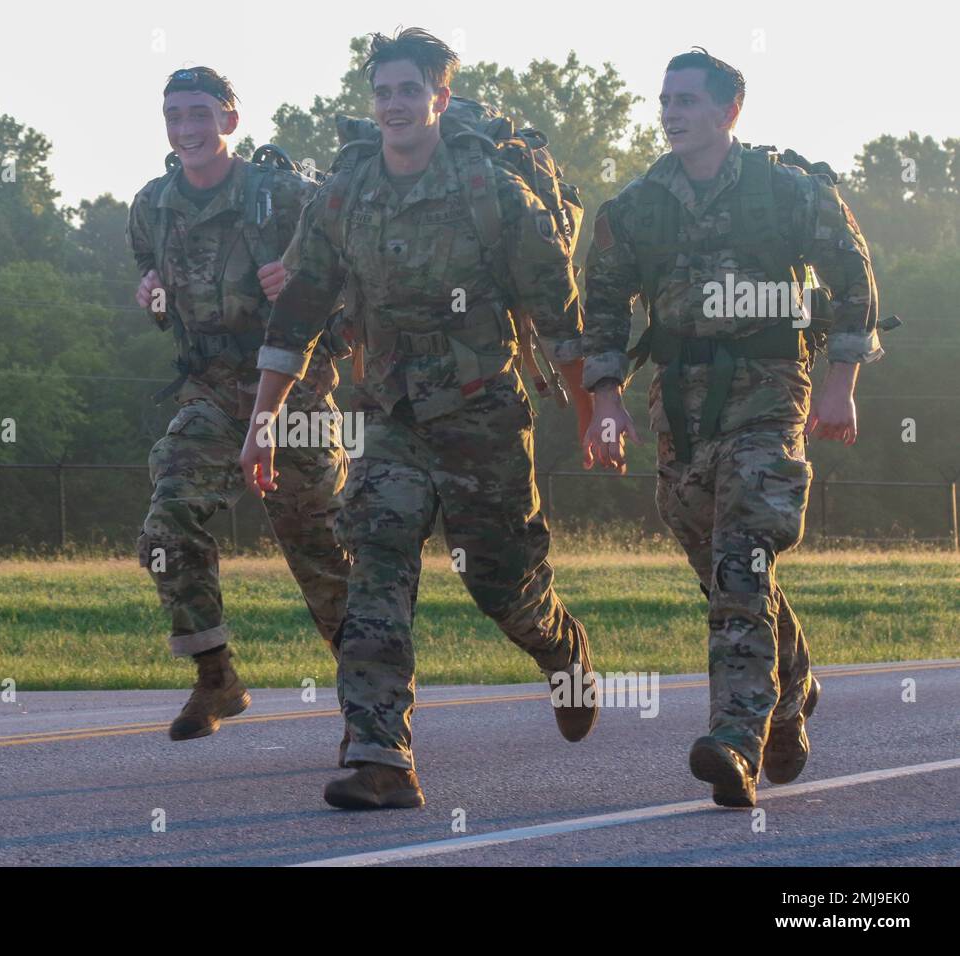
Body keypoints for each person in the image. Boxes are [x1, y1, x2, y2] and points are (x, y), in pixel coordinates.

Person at [241, 29, 597, 810]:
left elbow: (557, 311)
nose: (394, 105)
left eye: (409, 90)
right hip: (389, 415)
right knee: (376, 565)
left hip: (481, 415)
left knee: (502, 582)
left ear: (440, 97)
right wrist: (263, 420)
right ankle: (380, 755)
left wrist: (591, 408)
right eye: (383, 92)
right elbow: (298, 311)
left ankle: (563, 654)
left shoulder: (491, 191)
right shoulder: (345, 192)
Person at [581, 48, 883, 807]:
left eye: (686, 100)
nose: (671, 113)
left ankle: (735, 740)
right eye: (665, 100)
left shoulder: (786, 193)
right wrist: (607, 401)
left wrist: (840, 386)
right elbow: (605, 309)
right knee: (721, 566)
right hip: (677, 406)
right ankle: (791, 687)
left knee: (742, 557)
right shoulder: (636, 206)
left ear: (729, 111)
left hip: (769, 395)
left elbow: (852, 282)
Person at [127, 67, 350, 746]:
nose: (187, 129)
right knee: (167, 525)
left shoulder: (284, 195)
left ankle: (372, 695)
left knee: (320, 551)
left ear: (230, 120)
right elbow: (160, 290)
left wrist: (310, 280)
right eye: (174, 116)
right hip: (213, 391)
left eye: (200, 114)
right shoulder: (151, 205)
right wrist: (153, 298)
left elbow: (363, 273)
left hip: (295, 390)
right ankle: (215, 674)